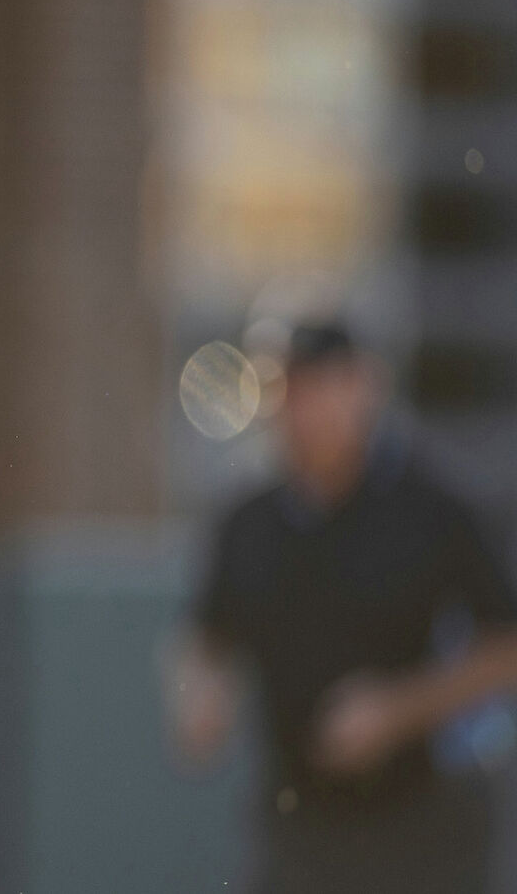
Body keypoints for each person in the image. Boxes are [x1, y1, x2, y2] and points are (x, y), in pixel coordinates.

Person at [169, 321, 517, 894]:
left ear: (365, 389)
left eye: (323, 388)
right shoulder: (249, 523)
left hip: (422, 818)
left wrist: (396, 710)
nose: (306, 412)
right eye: (291, 393)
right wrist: (200, 695)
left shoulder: (432, 509)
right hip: (300, 820)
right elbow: (207, 639)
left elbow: (505, 648)